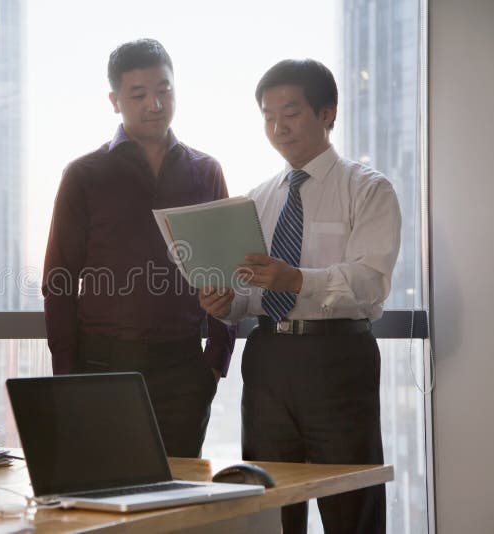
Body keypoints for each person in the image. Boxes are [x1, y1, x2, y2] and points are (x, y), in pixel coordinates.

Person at [199, 59, 400, 533]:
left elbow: (371, 281)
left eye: (290, 113)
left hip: (338, 357)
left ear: (327, 113)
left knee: (351, 503)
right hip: (268, 359)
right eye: (268, 116)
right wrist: (228, 305)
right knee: (271, 505)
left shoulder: (367, 189)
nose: (277, 127)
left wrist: (297, 280)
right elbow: (250, 293)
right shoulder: (257, 199)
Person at [42, 38, 235, 458]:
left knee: (177, 507)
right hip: (102, 370)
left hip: (185, 371)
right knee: (109, 498)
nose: (155, 104)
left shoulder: (206, 171)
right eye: (139, 94)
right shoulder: (83, 175)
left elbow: (226, 272)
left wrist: (215, 360)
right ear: (115, 100)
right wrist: (68, 378)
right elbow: (58, 282)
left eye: (164, 90)